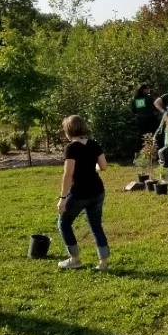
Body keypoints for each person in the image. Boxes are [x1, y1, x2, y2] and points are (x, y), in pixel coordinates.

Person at [56, 115, 110, 271]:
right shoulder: (93, 144)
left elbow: (68, 174)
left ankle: (75, 259)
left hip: (80, 193)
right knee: (96, 225)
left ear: (68, 130)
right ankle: (103, 262)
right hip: (97, 191)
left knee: (64, 223)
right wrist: (91, 167)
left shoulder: (71, 148)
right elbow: (104, 166)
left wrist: (63, 198)